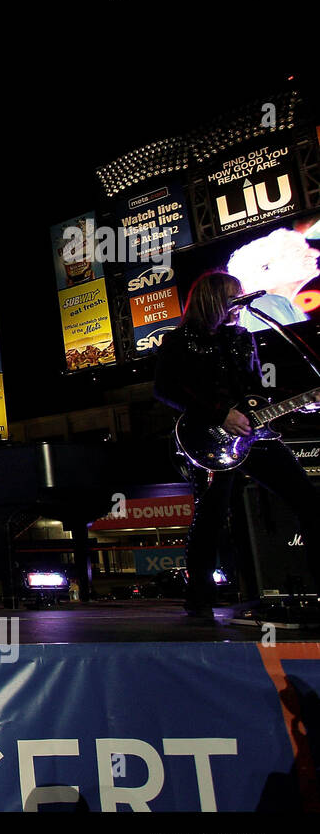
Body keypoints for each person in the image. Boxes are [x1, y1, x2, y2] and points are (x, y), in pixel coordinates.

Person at [154, 269, 320, 619]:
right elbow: (166, 389)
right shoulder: (180, 341)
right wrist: (219, 414)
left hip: (252, 435)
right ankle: (199, 598)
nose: (241, 301)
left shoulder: (243, 337)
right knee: (212, 515)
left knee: (309, 501)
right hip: (207, 438)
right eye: (235, 295)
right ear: (215, 299)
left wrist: (299, 399)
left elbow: (255, 392)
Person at [225, 227, 319, 333]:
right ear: (266, 267)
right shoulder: (265, 305)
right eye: (297, 250)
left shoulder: (275, 304)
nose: (315, 253)